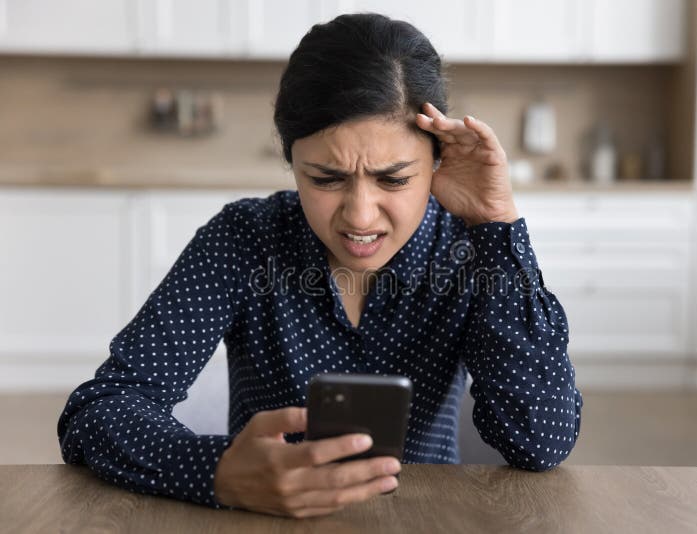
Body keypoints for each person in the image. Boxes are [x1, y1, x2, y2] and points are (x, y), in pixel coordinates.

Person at [57, 13, 582, 518]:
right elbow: (99, 409)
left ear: (438, 161)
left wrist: (496, 224)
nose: (359, 216)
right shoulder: (245, 240)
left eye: (393, 180)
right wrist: (216, 471)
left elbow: (542, 441)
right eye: (325, 179)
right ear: (291, 161)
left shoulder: (468, 249)